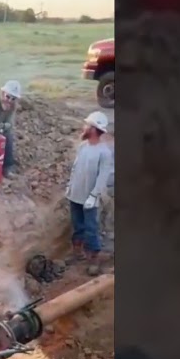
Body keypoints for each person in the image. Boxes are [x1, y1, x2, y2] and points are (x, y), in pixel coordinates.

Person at [66, 112, 115, 264]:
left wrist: (94, 196)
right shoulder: (82, 147)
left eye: (87, 125)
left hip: (89, 196)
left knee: (90, 227)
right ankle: (77, 252)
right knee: (77, 224)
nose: (84, 127)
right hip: (76, 193)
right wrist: (70, 186)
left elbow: (102, 177)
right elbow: (76, 169)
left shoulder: (104, 152)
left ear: (93, 129)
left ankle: (93, 258)